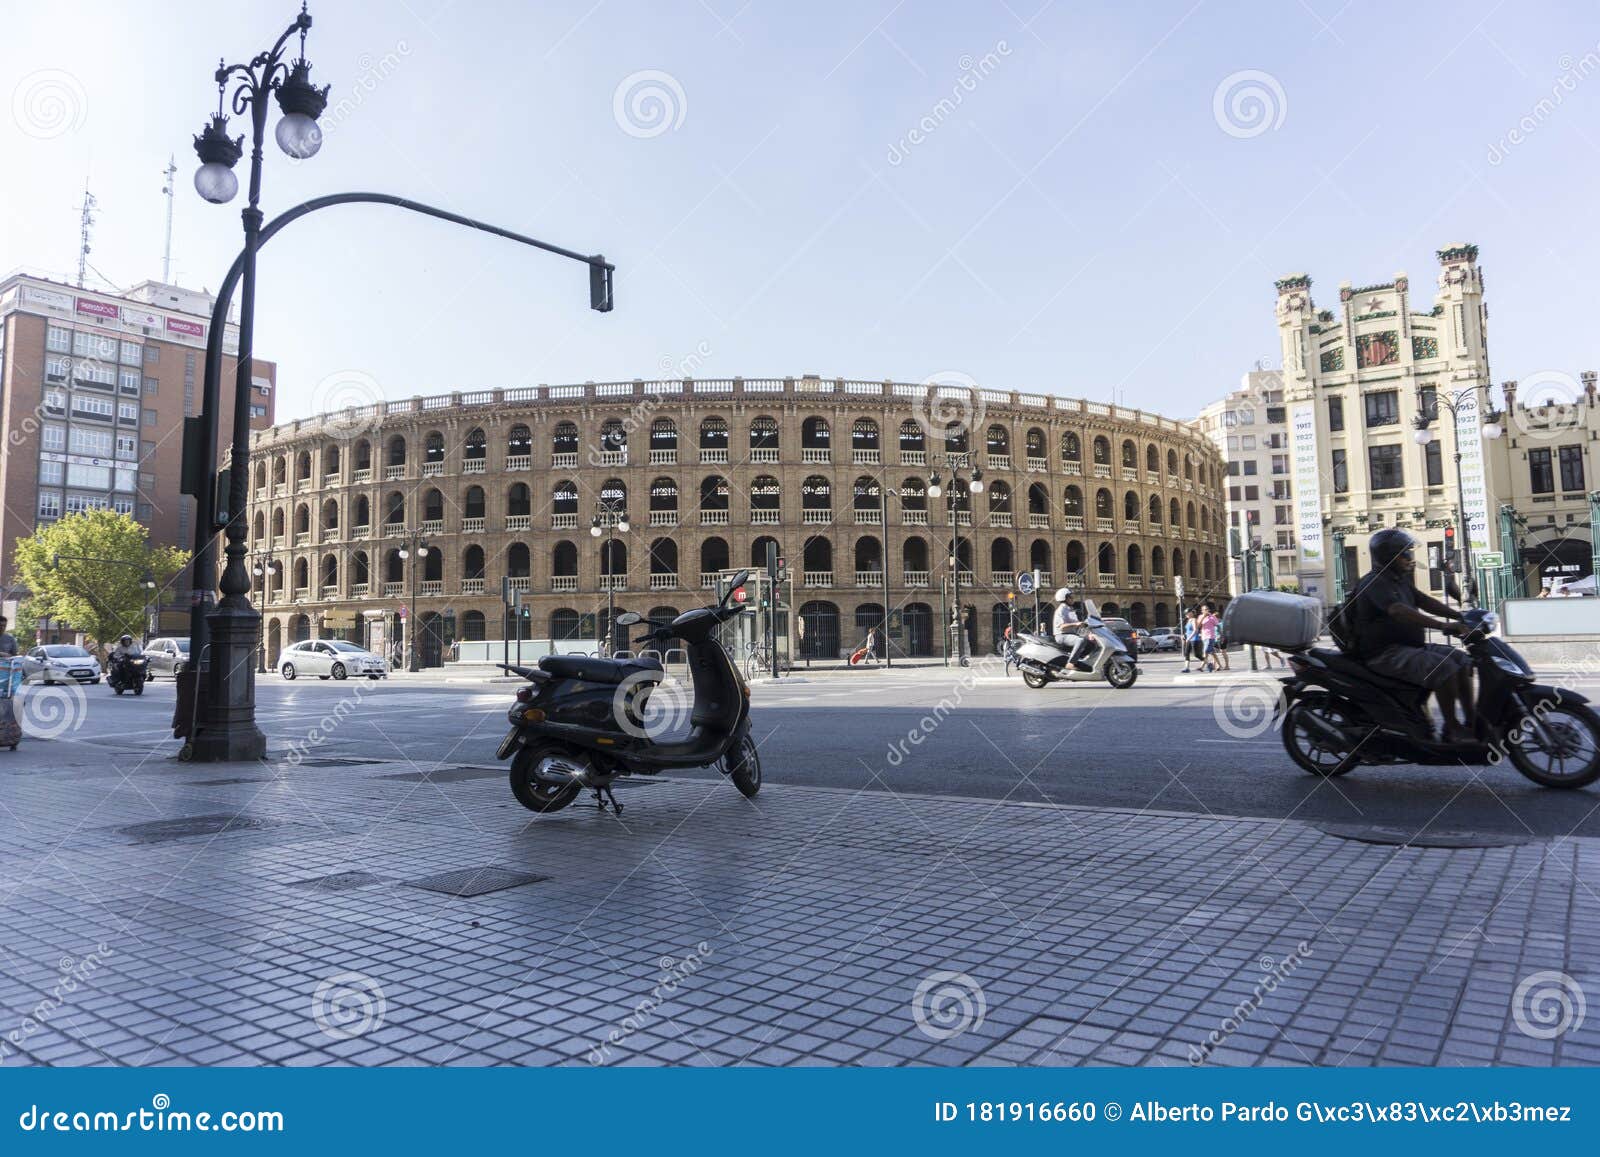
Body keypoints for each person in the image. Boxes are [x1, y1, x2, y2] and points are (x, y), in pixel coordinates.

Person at [1351, 527, 1474, 743]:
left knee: (1462, 660)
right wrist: (1442, 626)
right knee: (1444, 669)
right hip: (1385, 653)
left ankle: (1472, 721)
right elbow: (1398, 610)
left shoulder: (1400, 580)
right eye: (1405, 553)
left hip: (1409, 648)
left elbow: (1424, 601)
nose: (1410, 558)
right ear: (1390, 557)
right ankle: (1452, 728)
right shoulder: (1374, 582)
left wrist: (1459, 615)